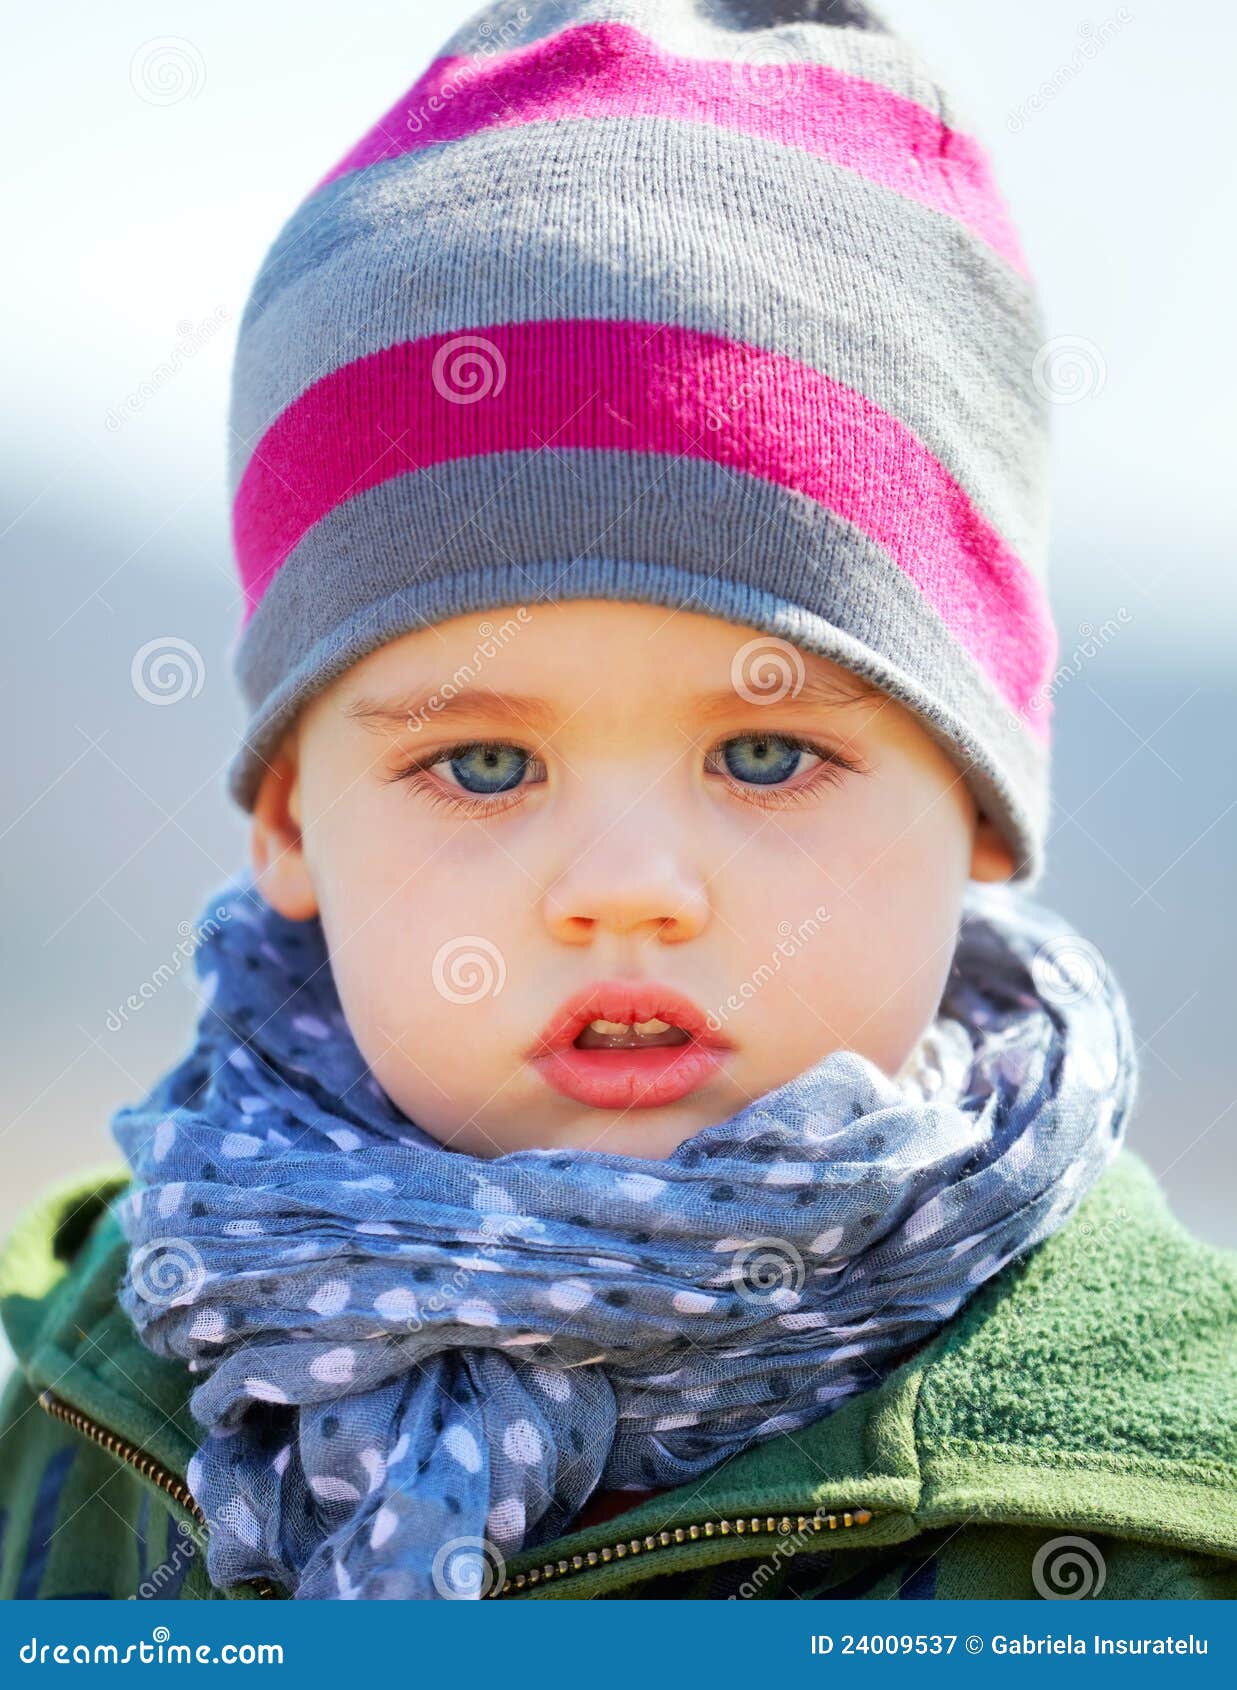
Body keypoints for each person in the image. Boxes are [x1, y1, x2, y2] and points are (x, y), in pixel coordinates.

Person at [1, 0, 1233, 1602]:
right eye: (485, 763)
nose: (630, 886)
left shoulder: (1148, 1519)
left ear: (984, 801)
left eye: (767, 753)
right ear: (294, 819)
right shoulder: (76, 1411)